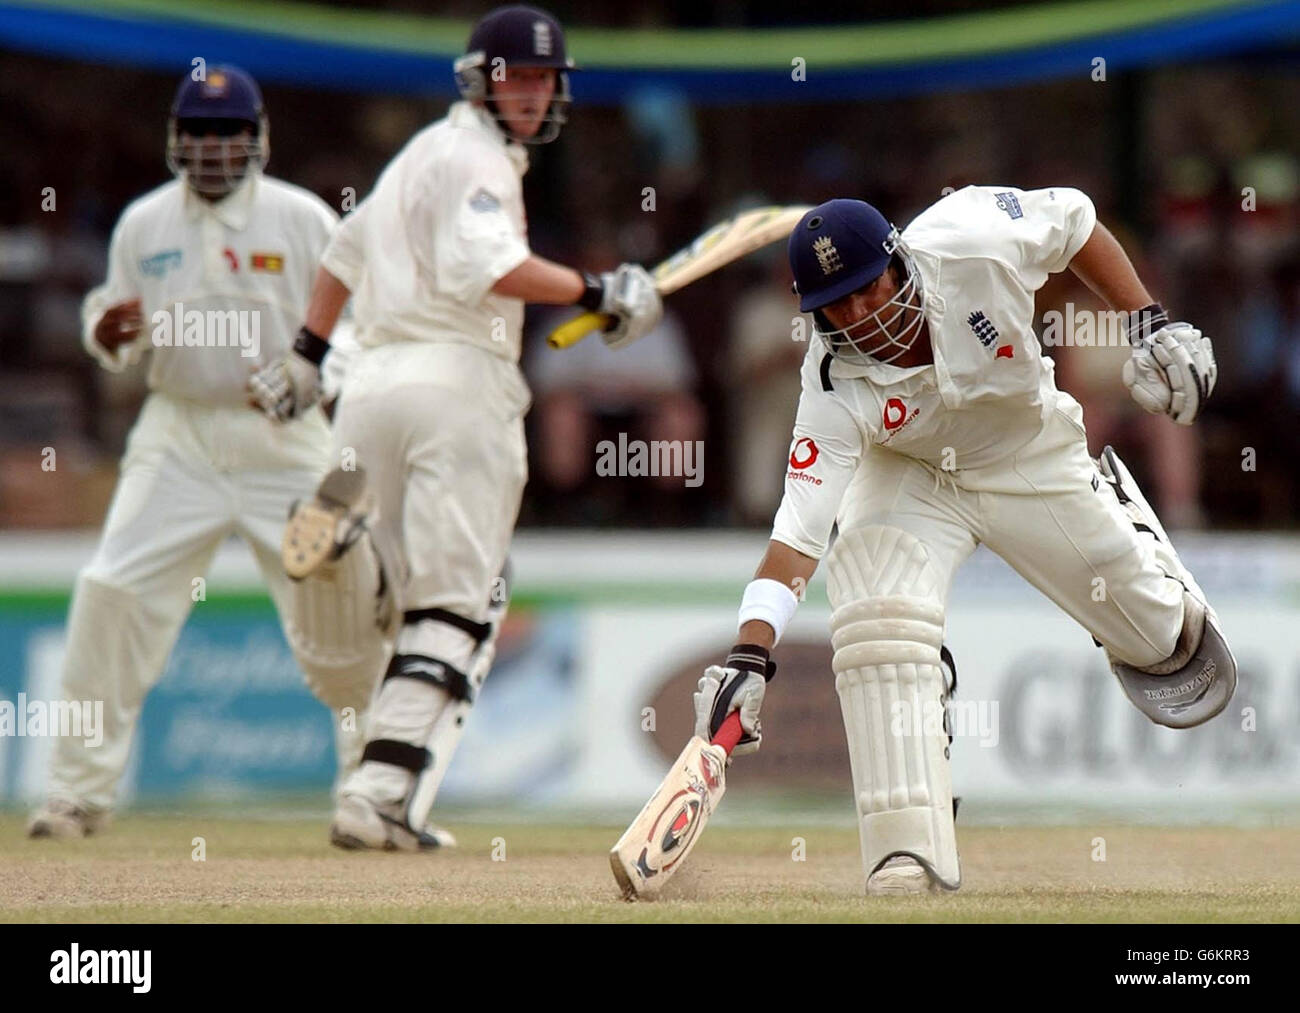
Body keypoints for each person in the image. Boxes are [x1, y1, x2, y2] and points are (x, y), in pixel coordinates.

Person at [691, 187, 1237, 894]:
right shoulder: (831, 380)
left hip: (1026, 454)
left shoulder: (974, 239)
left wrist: (1147, 324)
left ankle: (1136, 534)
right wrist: (749, 653)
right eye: (835, 306)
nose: (860, 317)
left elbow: (1077, 224)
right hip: (913, 479)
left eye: (867, 290)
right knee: (876, 605)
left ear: (896, 264)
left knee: (1172, 656)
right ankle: (906, 851)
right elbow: (797, 536)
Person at [248, 4, 661, 851]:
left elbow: (340, 260)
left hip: (368, 388)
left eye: (548, 79)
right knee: (457, 605)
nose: (538, 92)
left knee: (394, 603)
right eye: (523, 77)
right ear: (483, 81)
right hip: (457, 384)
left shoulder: (418, 154)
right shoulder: (480, 161)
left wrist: (304, 354)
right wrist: (597, 291)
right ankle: (376, 790)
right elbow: (494, 268)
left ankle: (345, 569)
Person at [28, 65, 367, 837]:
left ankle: (371, 792)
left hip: (285, 437)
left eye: (229, 134)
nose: (215, 149)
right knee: (111, 590)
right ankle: (76, 793)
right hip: (177, 430)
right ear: (176, 140)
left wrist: (311, 376)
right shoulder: (144, 224)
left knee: (343, 594)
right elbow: (109, 316)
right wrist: (103, 333)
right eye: (201, 133)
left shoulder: (303, 219)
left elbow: (355, 330)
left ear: (258, 140)